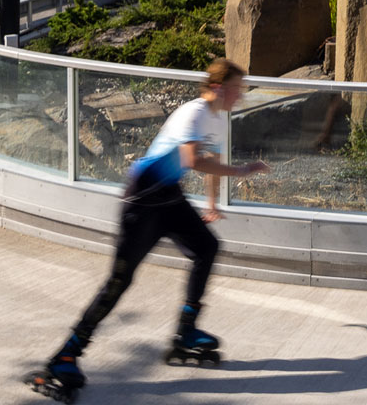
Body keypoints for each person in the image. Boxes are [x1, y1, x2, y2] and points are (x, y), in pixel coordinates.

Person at [26, 58, 270, 402]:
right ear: (217, 88)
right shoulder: (194, 113)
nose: (241, 96)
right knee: (119, 282)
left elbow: (209, 163)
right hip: (142, 200)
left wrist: (212, 204)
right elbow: (191, 160)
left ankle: (186, 332)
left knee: (206, 249)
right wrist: (244, 171)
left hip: (169, 198)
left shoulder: (217, 120)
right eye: (236, 89)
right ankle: (65, 356)